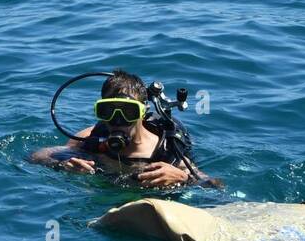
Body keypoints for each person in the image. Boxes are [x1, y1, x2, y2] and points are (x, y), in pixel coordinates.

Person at [29, 69, 214, 186]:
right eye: (108, 111)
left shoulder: (166, 151)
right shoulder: (90, 139)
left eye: (128, 111)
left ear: (143, 112)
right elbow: (36, 157)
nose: (118, 120)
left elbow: (213, 184)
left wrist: (183, 178)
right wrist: (62, 165)